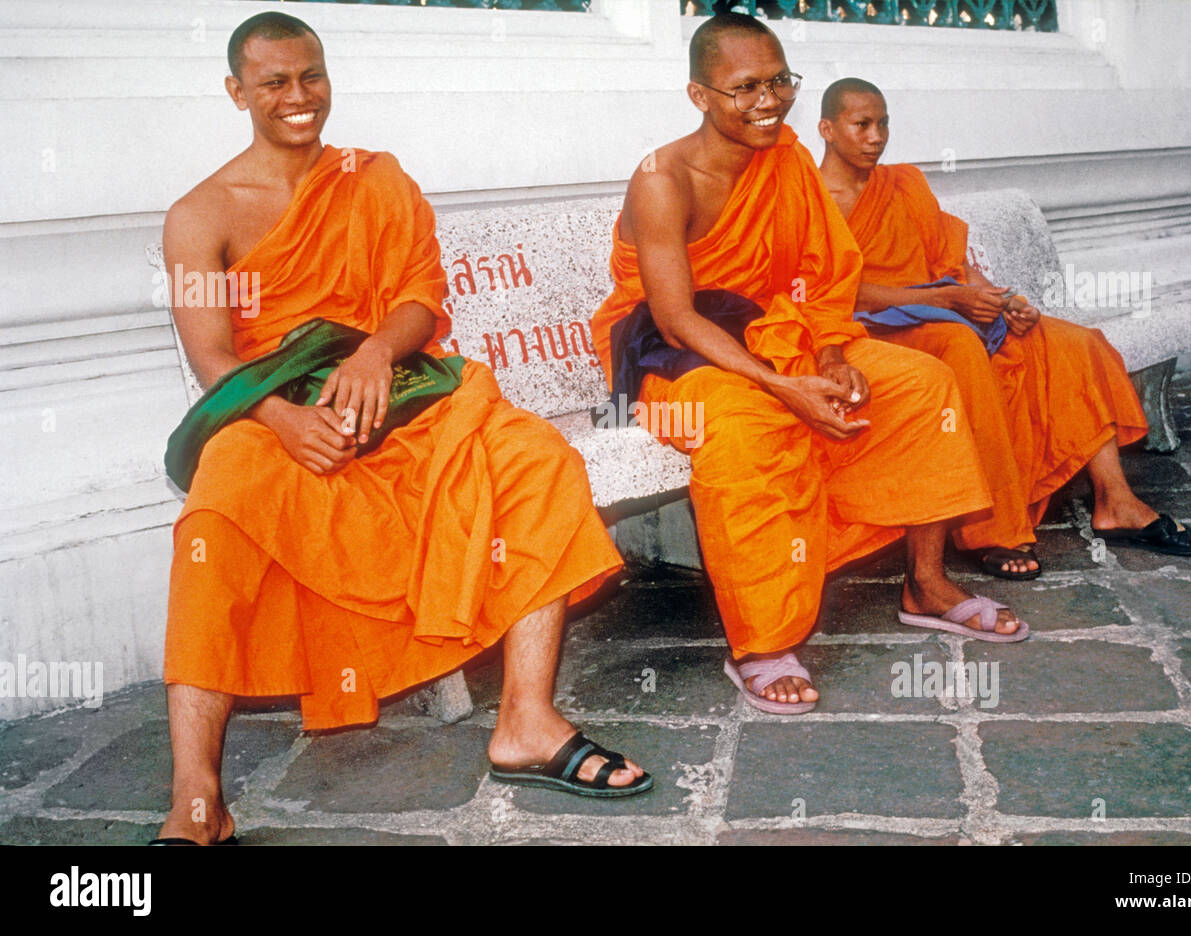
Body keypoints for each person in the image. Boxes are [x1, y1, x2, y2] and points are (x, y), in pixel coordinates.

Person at [154, 12, 649, 845]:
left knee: (535, 457)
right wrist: (282, 419)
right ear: (237, 92)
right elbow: (211, 359)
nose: (299, 96)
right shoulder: (199, 215)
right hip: (266, 405)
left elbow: (422, 297)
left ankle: (526, 719)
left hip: (402, 392)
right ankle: (196, 794)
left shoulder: (375, 179)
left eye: (311, 75)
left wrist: (377, 354)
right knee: (214, 512)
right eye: (274, 82)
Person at [590, 13, 1029, 717]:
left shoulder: (788, 159)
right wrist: (781, 384)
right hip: (673, 353)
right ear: (699, 95)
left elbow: (822, 279)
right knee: (743, 427)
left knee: (921, 384)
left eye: (779, 82)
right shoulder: (663, 178)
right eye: (744, 88)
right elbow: (676, 317)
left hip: (774, 332)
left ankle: (926, 583)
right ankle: (762, 644)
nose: (769, 102)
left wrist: (829, 352)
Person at [817, 78, 1191, 579]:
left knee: (1073, 342)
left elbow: (953, 261)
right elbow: (833, 290)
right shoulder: (812, 199)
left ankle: (1116, 502)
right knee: (962, 347)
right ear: (827, 129)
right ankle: (991, 531)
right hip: (873, 329)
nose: (876, 137)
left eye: (884, 123)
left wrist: (1004, 302)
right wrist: (941, 300)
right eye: (862, 125)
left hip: (943, 308)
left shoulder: (903, 183)